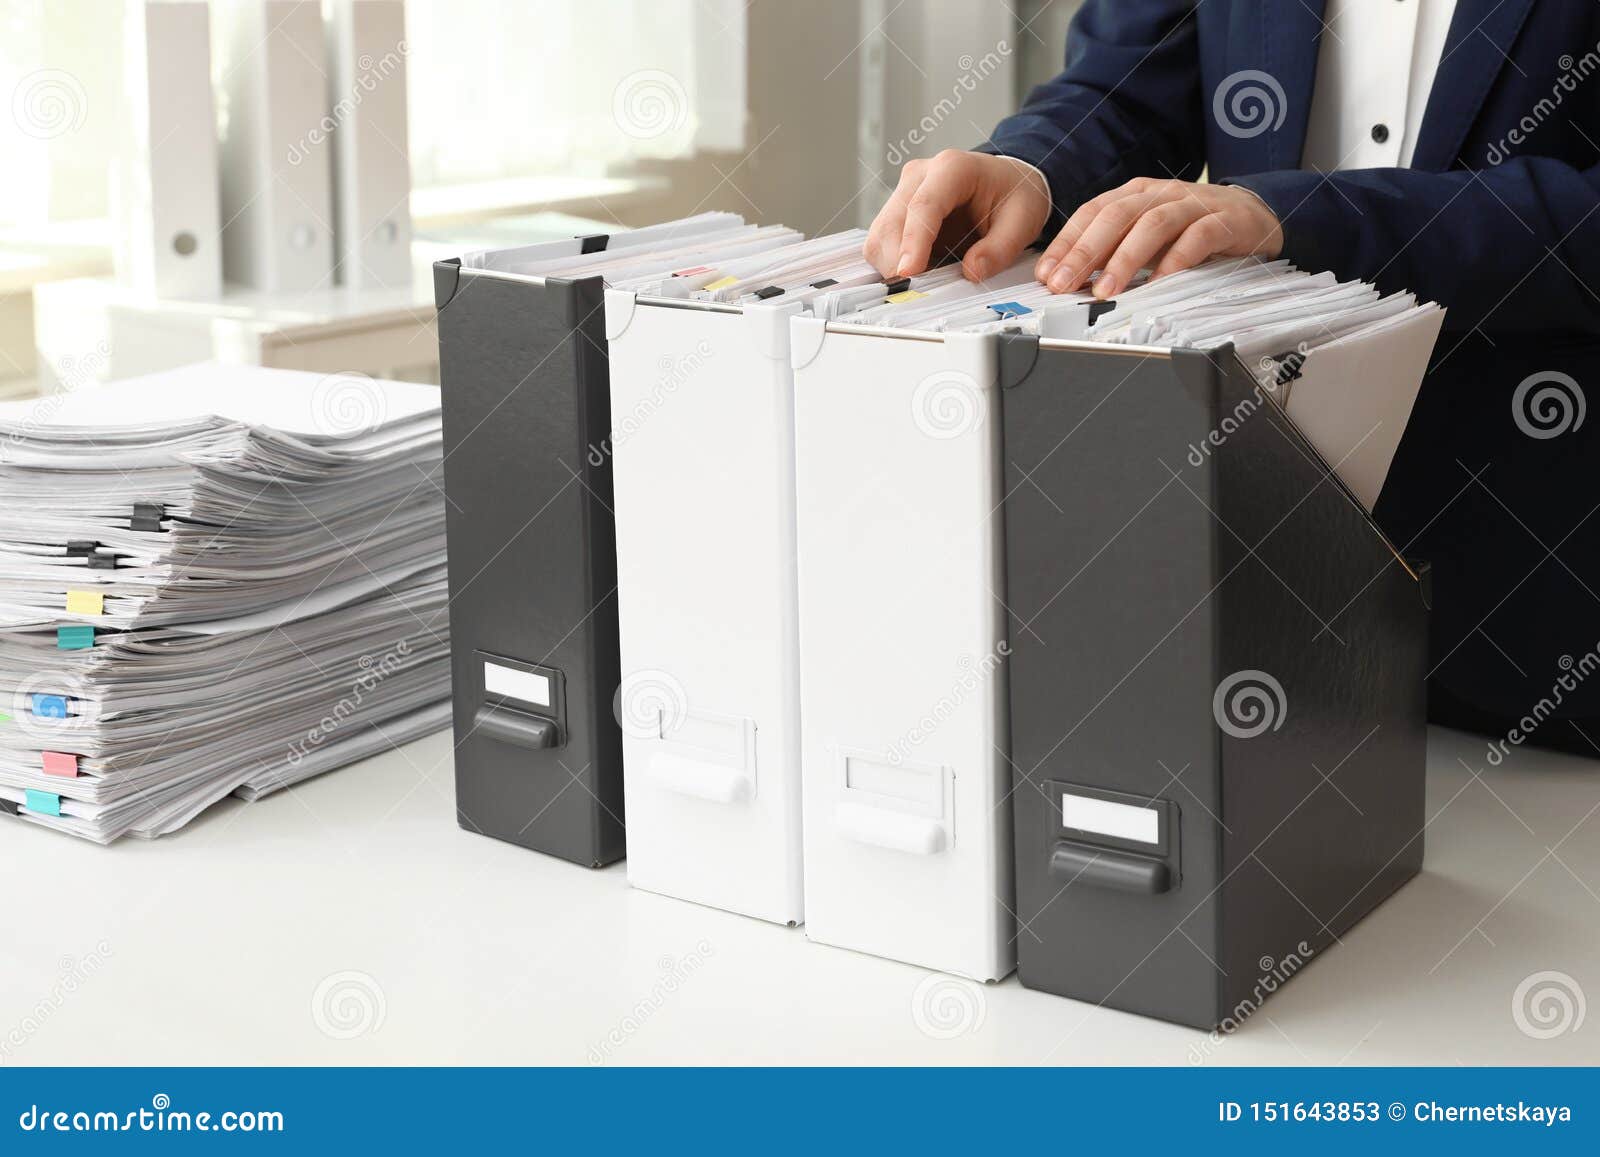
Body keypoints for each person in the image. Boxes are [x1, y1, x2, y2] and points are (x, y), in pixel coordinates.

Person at [866, 0, 1600, 757]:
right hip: (1244, 628)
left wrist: (1301, 218)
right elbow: (1127, 83)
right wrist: (1028, 169)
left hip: (1541, 641)